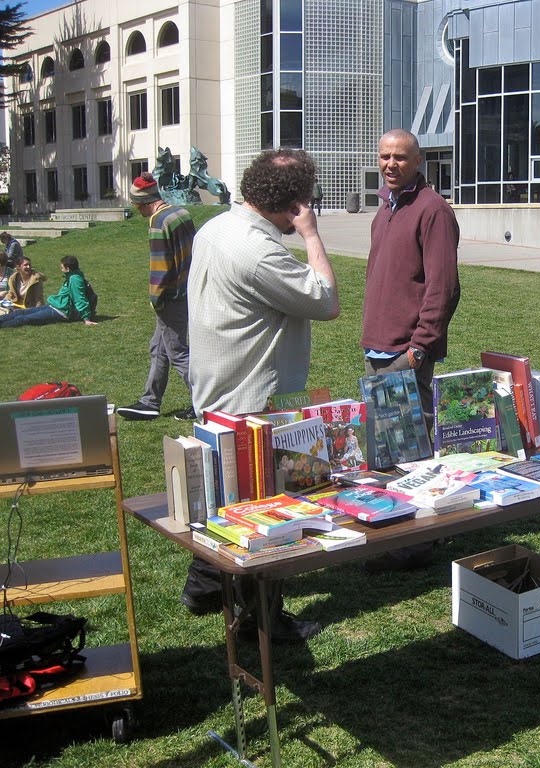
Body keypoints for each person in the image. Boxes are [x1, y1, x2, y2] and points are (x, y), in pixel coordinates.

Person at [181, 149, 339, 642]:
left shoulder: (216, 227)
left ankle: (205, 583)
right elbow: (326, 300)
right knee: (263, 510)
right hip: (252, 397)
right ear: (295, 202)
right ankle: (263, 621)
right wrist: (312, 235)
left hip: (217, 386)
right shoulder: (258, 250)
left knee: (224, 501)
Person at [360, 128, 460, 572]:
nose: (391, 164)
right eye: (384, 156)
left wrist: (420, 348)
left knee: (413, 448)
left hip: (407, 351)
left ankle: (417, 542)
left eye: (400, 157)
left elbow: (443, 287)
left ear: (419, 161)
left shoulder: (433, 210)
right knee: (386, 446)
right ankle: (394, 529)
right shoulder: (385, 208)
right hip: (377, 348)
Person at [116, 173, 198, 422]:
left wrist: (156, 299)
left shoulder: (158, 221)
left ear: (143, 202)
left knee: (177, 351)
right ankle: (150, 401)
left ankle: (204, 402)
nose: (136, 209)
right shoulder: (181, 213)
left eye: (135, 204)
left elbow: (160, 266)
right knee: (158, 347)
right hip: (187, 290)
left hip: (170, 296)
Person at [0, 255, 97, 328]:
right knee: (21, 313)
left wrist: (86, 318)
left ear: (67, 269)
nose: (61, 268)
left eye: (62, 267)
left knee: (24, 319)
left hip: (61, 311)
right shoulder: (73, 276)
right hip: (55, 306)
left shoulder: (75, 280)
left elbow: (79, 298)